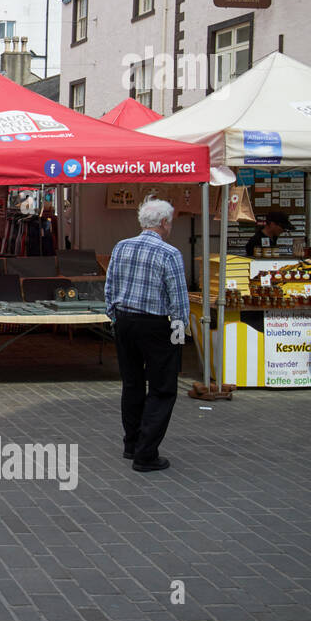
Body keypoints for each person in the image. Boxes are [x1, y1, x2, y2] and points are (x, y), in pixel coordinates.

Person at [104, 199, 187, 473]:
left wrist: (115, 316)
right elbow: (178, 299)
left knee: (132, 384)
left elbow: (110, 287)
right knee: (163, 388)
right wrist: (179, 331)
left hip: (125, 321)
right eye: (170, 222)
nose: (170, 226)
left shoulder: (121, 247)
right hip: (154, 324)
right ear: (163, 223)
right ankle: (146, 453)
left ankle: (132, 443)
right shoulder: (169, 253)